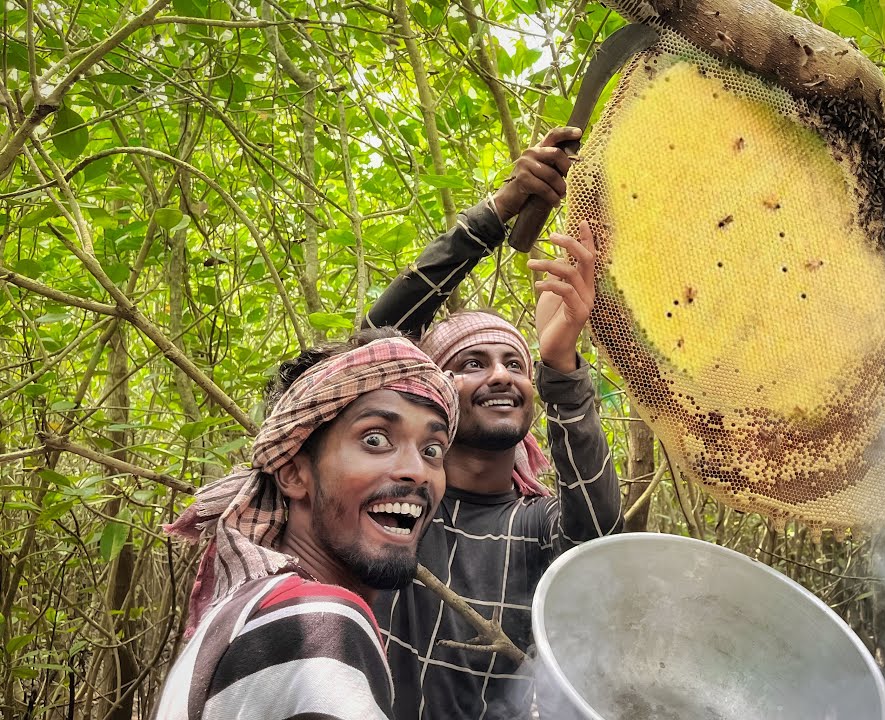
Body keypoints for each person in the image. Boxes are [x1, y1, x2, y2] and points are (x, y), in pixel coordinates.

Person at [367, 130, 623, 719]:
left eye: (515, 363)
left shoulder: (535, 527)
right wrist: (497, 213)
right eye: (471, 364)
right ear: (432, 394)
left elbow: (598, 534)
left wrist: (560, 363)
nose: (501, 376)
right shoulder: (391, 503)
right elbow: (374, 339)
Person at [155, 331, 458, 720]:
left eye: (431, 450)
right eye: (376, 439)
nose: (417, 472)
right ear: (295, 475)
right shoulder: (317, 622)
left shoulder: (246, 612)